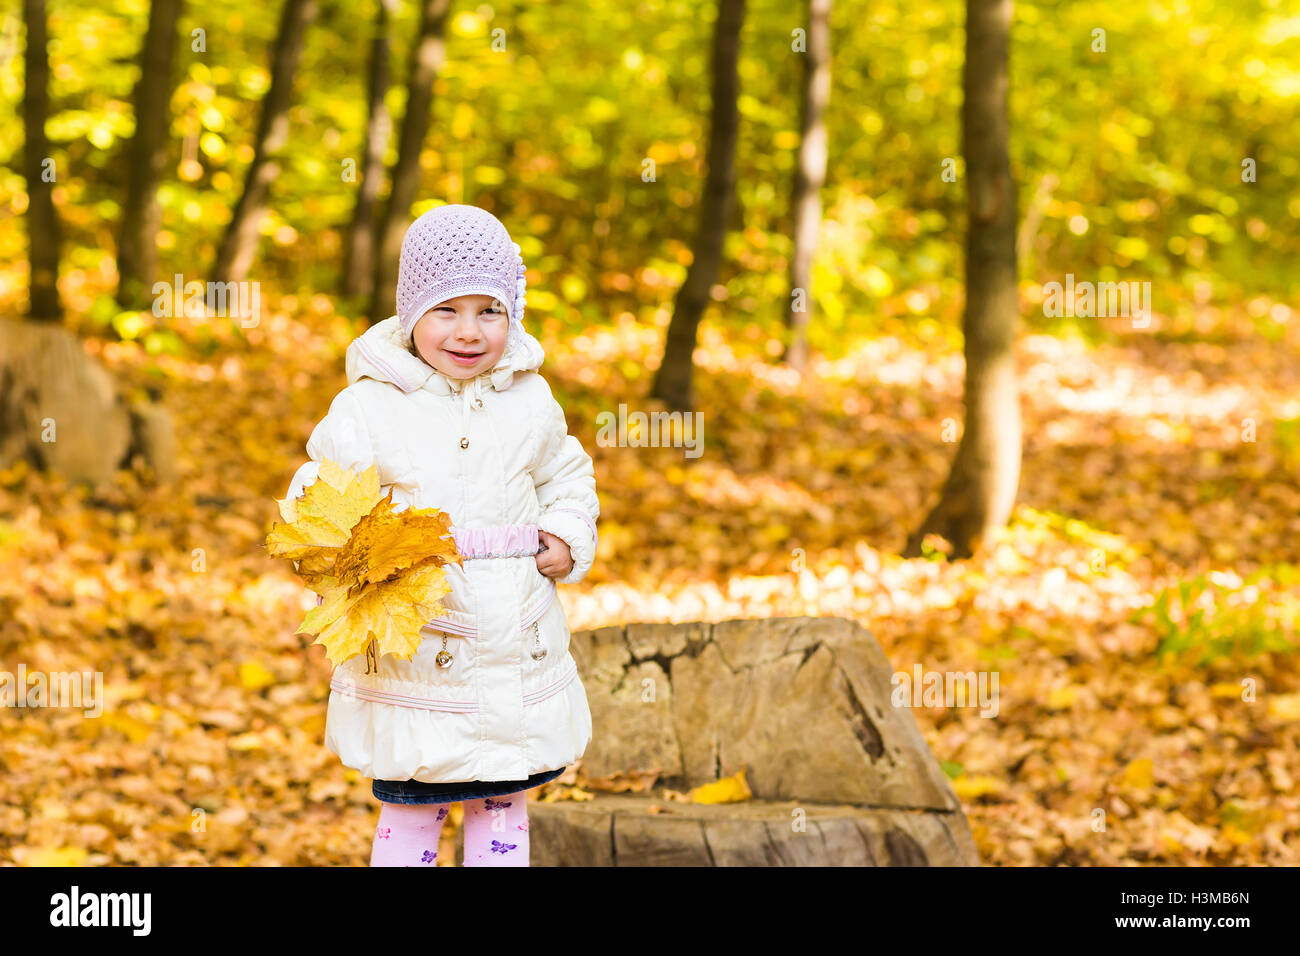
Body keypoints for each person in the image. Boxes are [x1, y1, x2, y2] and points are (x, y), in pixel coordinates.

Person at [284, 204, 600, 866]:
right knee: (415, 801)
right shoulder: (370, 406)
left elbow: (566, 475)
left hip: (511, 643)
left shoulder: (529, 400)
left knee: (500, 801)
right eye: (446, 310)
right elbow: (317, 495)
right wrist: (347, 554)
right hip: (418, 649)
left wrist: (567, 534)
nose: (469, 330)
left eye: (490, 309)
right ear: (410, 314)